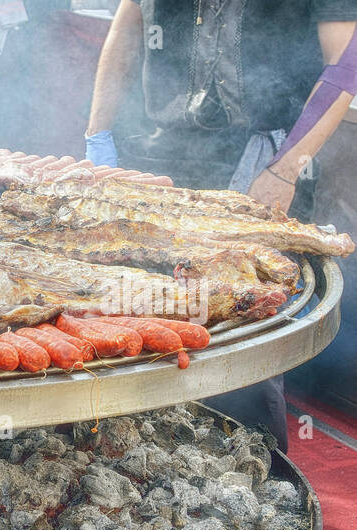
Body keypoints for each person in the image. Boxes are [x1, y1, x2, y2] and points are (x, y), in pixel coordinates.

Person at [83, 1, 357, 452]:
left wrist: (286, 169)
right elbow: (129, 24)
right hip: (159, 162)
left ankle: (251, 469)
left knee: (240, 331)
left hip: (256, 165)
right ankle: (133, 459)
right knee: (135, 316)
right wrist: (100, 136)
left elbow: (345, 62)